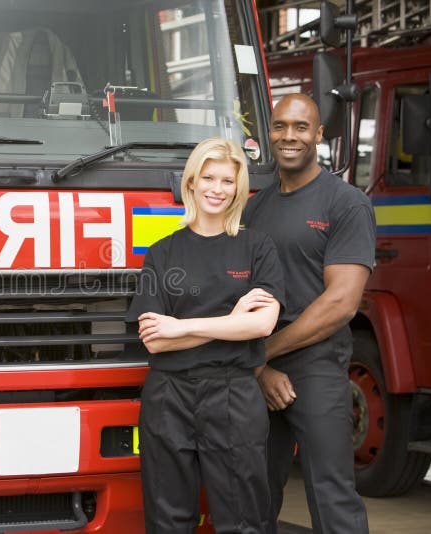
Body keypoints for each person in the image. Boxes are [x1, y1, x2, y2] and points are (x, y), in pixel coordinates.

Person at [127, 137, 285, 533]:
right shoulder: (161, 252)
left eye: (227, 181)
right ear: (192, 182)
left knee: (243, 519)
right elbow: (155, 340)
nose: (217, 189)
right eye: (208, 178)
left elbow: (261, 325)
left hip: (233, 394)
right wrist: (230, 322)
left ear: (239, 188)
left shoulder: (257, 247)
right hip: (168, 397)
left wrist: (183, 325)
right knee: (168, 519)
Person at [242, 93, 375, 534]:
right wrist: (260, 369)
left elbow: (341, 303)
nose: (289, 136)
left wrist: (266, 354)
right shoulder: (255, 207)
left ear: (319, 135)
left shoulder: (345, 202)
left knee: (331, 497)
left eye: (301, 127)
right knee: (253, 496)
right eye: (280, 127)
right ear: (269, 135)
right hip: (259, 365)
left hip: (315, 365)